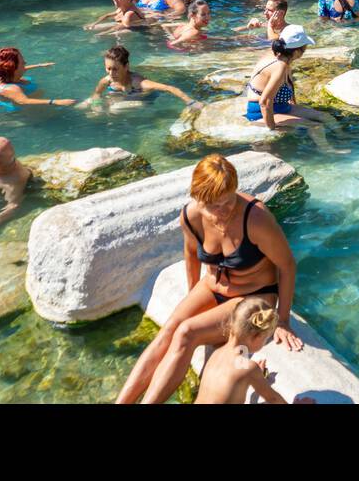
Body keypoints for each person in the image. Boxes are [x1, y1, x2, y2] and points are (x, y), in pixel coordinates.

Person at [117, 153, 304, 404]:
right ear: (198, 198)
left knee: (186, 332)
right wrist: (192, 293)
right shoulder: (191, 216)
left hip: (254, 295)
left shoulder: (255, 218)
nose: (223, 211)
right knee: (170, 328)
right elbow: (191, 253)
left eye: (228, 202)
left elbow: (287, 265)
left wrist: (282, 320)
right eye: (213, 205)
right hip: (212, 286)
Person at [193, 297, 312, 404]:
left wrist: (254, 376)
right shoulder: (249, 369)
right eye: (265, 338)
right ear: (257, 338)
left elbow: (234, 375)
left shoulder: (217, 353)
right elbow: (273, 399)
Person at [84, 45, 199, 109]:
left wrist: (190, 102)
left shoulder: (139, 83)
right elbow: (96, 94)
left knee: (115, 109)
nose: (111, 73)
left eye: (115, 69)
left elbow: (169, 88)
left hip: (143, 100)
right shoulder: (106, 81)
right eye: (108, 68)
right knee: (85, 105)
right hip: (120, 98)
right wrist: (96, 107)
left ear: (126, 66)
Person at [0, 47, 74, 108]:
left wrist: (40, 65)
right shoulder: (12, 89)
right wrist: (55, 102)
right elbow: (24, 101)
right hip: (24, 111)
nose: (25, 62)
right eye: (22, 63)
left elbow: (23, 69)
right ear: (13, 68)